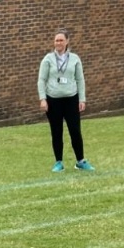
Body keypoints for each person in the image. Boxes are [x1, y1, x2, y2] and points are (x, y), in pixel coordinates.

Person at [37, 28, 93, 173]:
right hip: (53, 100)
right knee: (56, 132)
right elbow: (41, 80)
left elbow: (80, 80)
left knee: (75, 130)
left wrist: (82, 99)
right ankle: (58, 162)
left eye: (61, 40)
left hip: (71, 99)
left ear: (67, 41)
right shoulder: (48, 59)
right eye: (56, 40)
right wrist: (43, 99)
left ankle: (81, 161)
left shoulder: (74, 59)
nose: (59, 43)